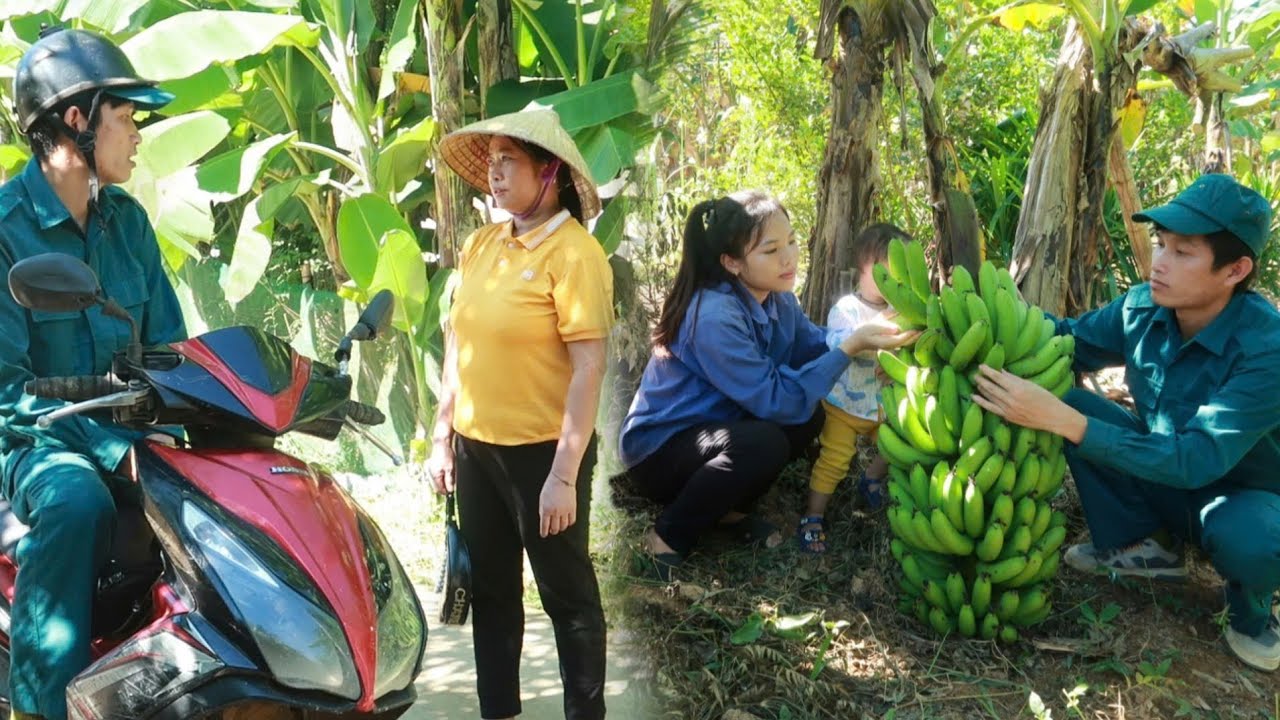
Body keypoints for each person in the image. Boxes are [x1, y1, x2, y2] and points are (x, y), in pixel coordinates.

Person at [971, 174, 1280, 672]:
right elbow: (1063, 340)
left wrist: (1064, 421)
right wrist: (971, 320)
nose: (1159, 262)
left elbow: (1195, 459)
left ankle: (1254, 611)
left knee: (1254, 540)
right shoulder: (1142, 308)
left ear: (1235, 269)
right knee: (1073, 402)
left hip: (1240, 497)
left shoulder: (1268, 351)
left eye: (1184, 252)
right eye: (1161, 244)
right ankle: (1148, 547)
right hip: (1162, 473)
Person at [0, 27, 186, 720]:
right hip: (33, 444)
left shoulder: (129, 225)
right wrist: (105, 437)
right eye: (126, 117)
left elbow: (169, 348)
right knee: (77, 504)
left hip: (125, 432)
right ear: (76, 121)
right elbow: (6, 391)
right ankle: (43, 707)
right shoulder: (3, 229)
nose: (137, 135)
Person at [618, 192, 917, 578]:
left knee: (809, 415)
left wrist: (866, 346)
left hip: (721, 424)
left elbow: (813, 345)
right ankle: (667, 537)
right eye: (771, 250)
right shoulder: (713, 317)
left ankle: (729, 513)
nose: (789, 257)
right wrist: (852, 346)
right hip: (662, 449)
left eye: (791, 241)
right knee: (768, 439)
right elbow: (778, 399)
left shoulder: (778, 299)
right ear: (732, 262)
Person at [428, 108, 613, 720]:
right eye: (493, 160)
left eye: (510, 160)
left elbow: (588, 368)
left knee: (568, 597)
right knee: (493, 593)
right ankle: (498, 711)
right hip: (476, 451)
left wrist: (564, 474)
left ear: (549, 170)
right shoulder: (482, 243)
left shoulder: (576, 254)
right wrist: (442, 436)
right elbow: (459, 344)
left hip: (543, 457)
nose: (496, 172)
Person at [798, 224, 909, 554]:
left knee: (898, 444)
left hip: (882, 407)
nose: (900, 280)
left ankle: (871, 478)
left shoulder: (905, 311)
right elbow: (841, 345)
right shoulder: (847, 309)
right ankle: (813, 515)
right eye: (893, 271)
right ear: (868, 268)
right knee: (835, 458)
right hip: (844, 407)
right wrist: (883, 323)